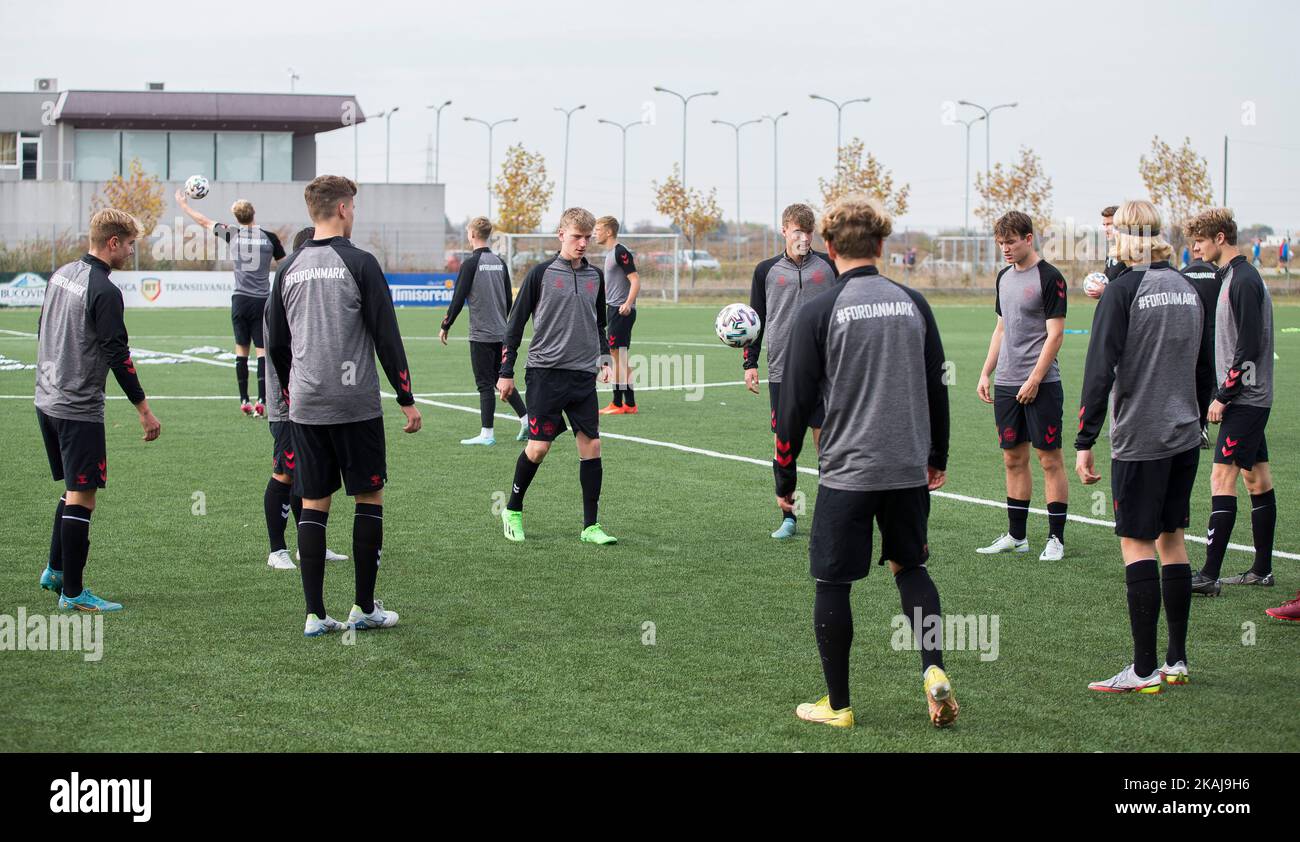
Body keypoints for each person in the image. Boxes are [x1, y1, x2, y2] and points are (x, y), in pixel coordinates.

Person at [774, 194, 955, 729]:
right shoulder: (914, 303)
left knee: (833, 584)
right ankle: (933, 671)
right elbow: (937, 386)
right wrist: (936, 456)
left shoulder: (819, 310)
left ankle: (839, 705)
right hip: (905, 469)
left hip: (848, 471)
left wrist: (785, 478)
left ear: (828, 249)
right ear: (881, 245)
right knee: (912, 568)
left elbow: (794, 406)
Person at [265, 176, 422, 637]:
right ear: (341, 210)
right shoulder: (361, 263)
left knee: (313, 502)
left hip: (306, 405)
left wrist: (295, 390)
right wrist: (406, 397)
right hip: (355, 404)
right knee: (368, 495)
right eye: (353, 207)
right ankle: (363, 607)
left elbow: (276, 345)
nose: (355, 214)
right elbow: (387, 338)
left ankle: (315, 615)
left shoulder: (288, 268)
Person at [1076, 200, 1215, 692]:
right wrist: (1196, 418)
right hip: (1184, 435)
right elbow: (1205, 368)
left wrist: (1085, 438)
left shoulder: (1122, 290)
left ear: (1122, 238)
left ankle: (1141, 670)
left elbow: (1099, 370)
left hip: (1140, 436)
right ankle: (1175, 661)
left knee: (1136, 542)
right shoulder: (1186, 285)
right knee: (1172, 539)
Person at [35, 208, 162, 612]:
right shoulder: (105, 290)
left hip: (47, 399)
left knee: (73, 488)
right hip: (77, 407)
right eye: (128, 245)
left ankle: (55, 570)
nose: (129, 252)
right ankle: (73, 593)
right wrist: (143, 408)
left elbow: (43, 328)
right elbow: (116, 353)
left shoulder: (61, 273)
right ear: (112, 243)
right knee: (83, 495)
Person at [496, 207, 617, 546]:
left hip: (582, 374)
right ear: (561, 235)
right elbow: (515, 324)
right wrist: (506, 372)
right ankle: (513, 510)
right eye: (576, 236)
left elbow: (599, 322)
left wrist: (604, 357)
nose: (582, 243)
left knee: (592, 445)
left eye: (587, 237)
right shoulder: (541, 274)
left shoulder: (595, 276)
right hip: (545, 373)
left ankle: (590, 525)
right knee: (539, 447)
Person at [1184, 208, 1278, 594]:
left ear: (1220, 238)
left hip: (1246, 400)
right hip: (1249, 398)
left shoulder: (1242, 280)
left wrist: (1224, 396)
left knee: (1221, 477)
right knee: (1257, 479)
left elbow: (1250, 345)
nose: (1194, 248)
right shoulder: (1232, 276)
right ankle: (1262, 570)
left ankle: (1208, 575)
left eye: (1200, 241)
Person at [975, 211, 1070, 561]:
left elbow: (1055, 335)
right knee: (1013, 459)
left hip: (1042, 385)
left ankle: (1055, 539)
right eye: (1001, 243)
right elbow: (1001, 329)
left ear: (1028, 239)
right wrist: (986, 372)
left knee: (1049, 460)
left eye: (1011, 241)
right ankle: (1017, 537)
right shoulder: (1003, 277)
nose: (1005, 249)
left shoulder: (1050, 277)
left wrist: (1034, 379)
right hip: (1007, 384)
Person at [743, 203, 839, 539]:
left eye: (809, 232)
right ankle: (791, 517)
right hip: (784, 371)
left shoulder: (829, 266)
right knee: (784, 448)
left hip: (826, 371)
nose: (804, 237)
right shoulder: (766, 270)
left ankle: (830, 519)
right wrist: (750, 363)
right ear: (784, 229)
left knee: (826, 446)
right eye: (798, 231)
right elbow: (756, 319)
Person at [261, 224, 348, 571]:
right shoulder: (283, 291)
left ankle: (309, 543)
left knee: (308, 474)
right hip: (287, 403)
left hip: (308, 401)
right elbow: (285, 350)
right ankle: (276, 548)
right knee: (285, 472)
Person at [176, 192, 285, 416]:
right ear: (253, 213)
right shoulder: (270, 238)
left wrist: (184, 205)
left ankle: (244, 399)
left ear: (236, 218)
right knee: (262, 352)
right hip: (262, 300)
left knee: (241, 351)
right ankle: (262, 400)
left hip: (240, 300)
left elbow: (203, 221)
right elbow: (285, 266)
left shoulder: (232, 234)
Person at [438, 216, 529, 445]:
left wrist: (445, 325)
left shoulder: (470, 264)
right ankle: (527, 420)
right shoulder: (499, 262)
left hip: (481, 334)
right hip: (502, 332)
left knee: (485, 384)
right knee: (502, 379)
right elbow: (509, 300)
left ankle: (487, 434)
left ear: (471, 235)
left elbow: (458, 298)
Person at [594, 216, 641, 415]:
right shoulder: (610, 254)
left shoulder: (621, 252)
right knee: (620, 357)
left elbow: (635, 280)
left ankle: (617, 403)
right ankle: (629, 404)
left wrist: (628, 304)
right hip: (613, 309)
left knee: (618, 357)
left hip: (621, 311)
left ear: (609, 231)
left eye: (597, 229)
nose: (595, 233)